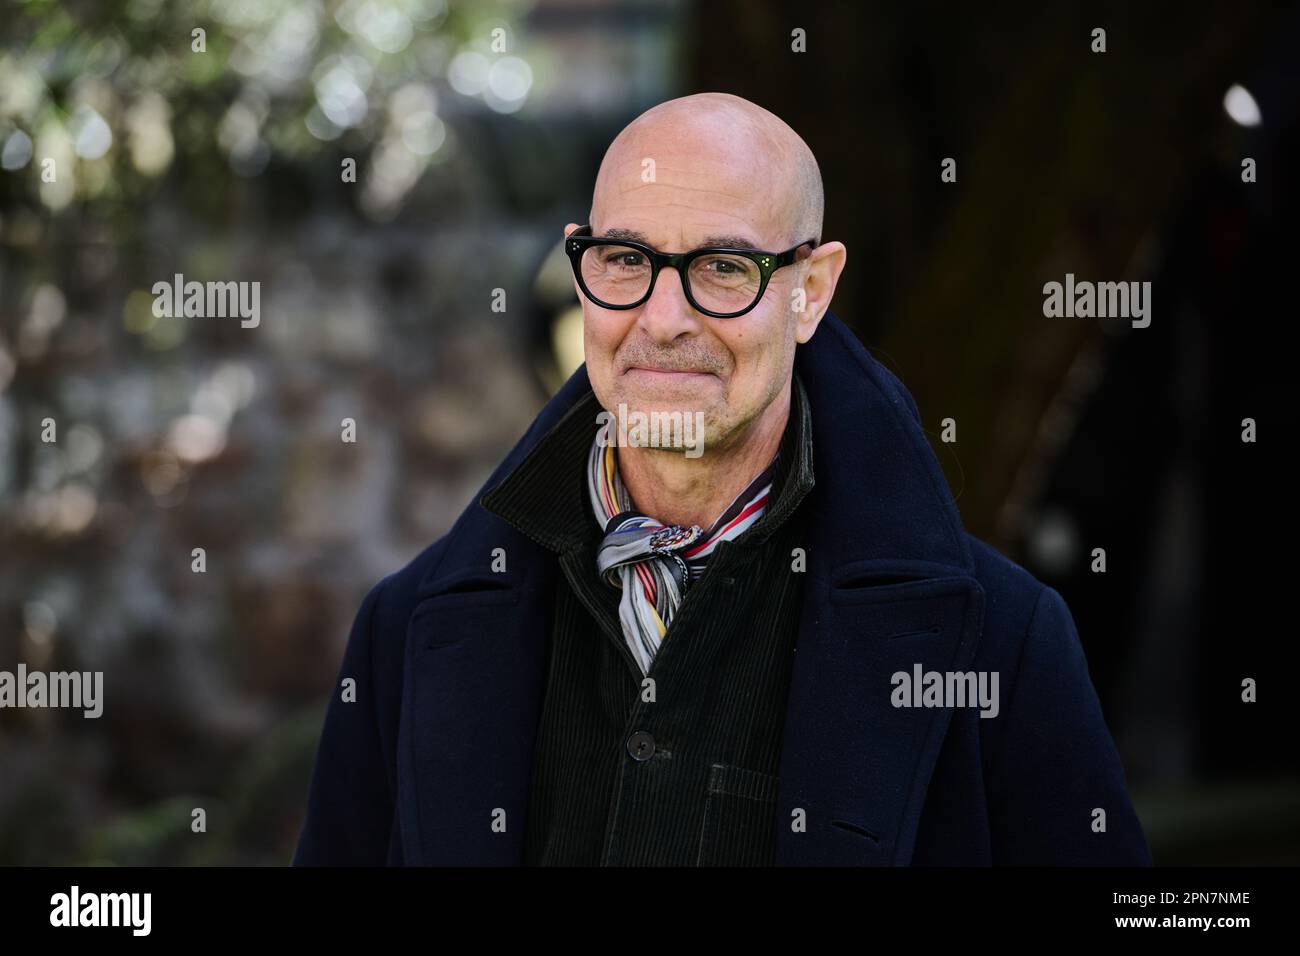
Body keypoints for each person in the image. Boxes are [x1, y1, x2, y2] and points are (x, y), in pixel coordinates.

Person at [292, 92, 1151, 866]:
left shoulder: (1001, 643)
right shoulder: (404, 634)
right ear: (580, 267)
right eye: (626, 260)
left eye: (724, 268)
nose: (663, 321)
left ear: (811, 290)